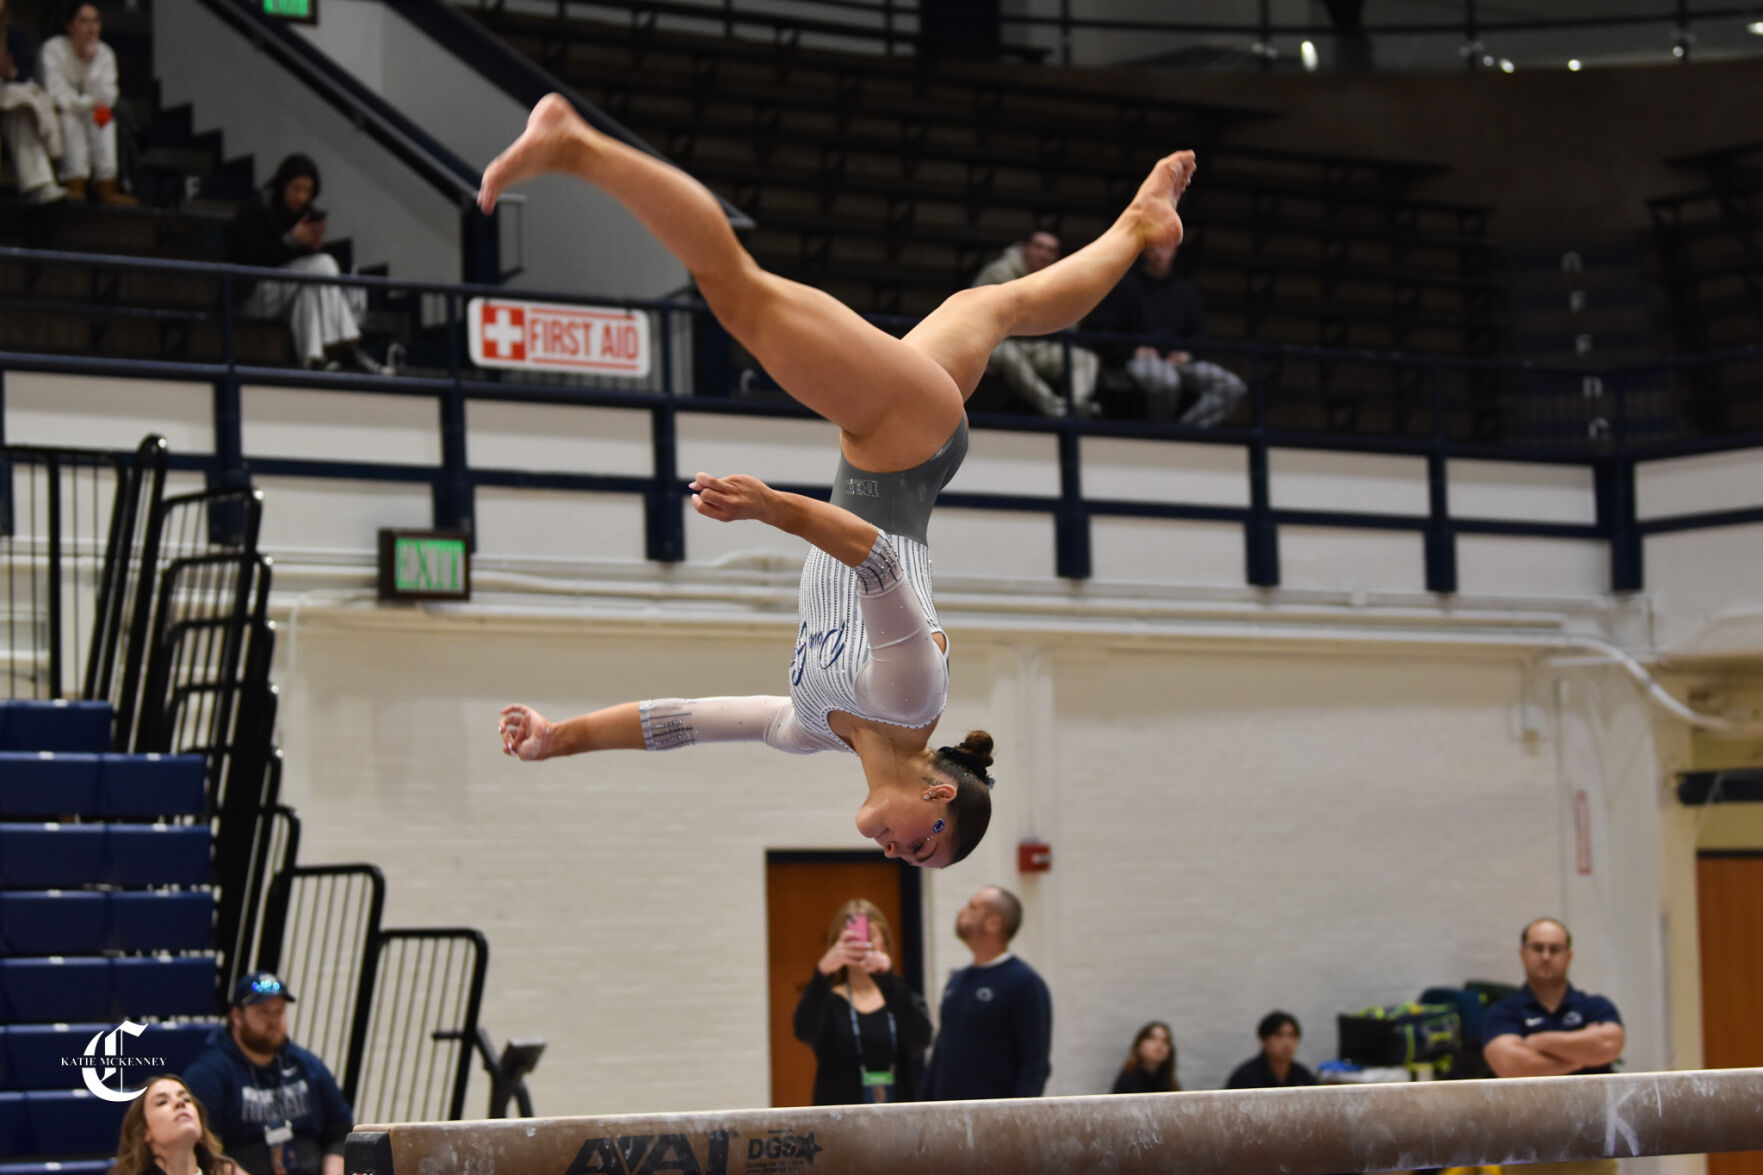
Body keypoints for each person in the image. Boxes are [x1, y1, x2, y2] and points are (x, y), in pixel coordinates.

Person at [485, 95, 1196, 869]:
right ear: (939, 795)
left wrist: (564, 738)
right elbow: (875, 558)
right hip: (900, 440)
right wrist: (771, 508)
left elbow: (682, 720)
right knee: (740, 295)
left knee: (995, 305)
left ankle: (1138, 224)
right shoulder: (909, 696)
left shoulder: (813, 725)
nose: (895, 854)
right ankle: (576, 147)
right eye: (923, 848)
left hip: (907, 453)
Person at [1480, 918, 1624, 1175]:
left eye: (1555, 949)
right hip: (1525, 1153)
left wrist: (1540, 1041)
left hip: (1592, 1149)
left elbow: (1610, 1045)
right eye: (1538, 948)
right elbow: (1509, 1064)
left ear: (1568, 956)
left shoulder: (1595, 1006)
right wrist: (1581, 1054)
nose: (1546, 956)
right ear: (1523, 954)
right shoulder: (1503, 1012)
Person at [225, 152, 391, 373]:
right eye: (296, 189)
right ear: (283, 184)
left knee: (311, 288)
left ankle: (313, 359)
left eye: (307, 191)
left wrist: (310, 246)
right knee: (322, 266)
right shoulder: (255, 209)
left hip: (286, 293)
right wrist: (291, 241)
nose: (301, 197)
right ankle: (350, 347)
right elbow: (254, 258)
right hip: (251, 296)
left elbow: (297, 262)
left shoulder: (305, 215)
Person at [182, 971, 354, 1175]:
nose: (273, 1020)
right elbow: (203, 1150)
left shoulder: (307, 1065)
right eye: (264, 1011)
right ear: (237, 1016)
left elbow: (340, 1130)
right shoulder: (209, 1075)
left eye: (279, 1011)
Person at [1085, 239, 1246, 426]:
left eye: (1164, 247)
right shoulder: (1125, 286)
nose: (1158, 253)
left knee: (1232, 386)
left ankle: (1186, 430)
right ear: (1144, 251)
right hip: (1141, 359)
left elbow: (1199, 334)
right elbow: (1100, 330)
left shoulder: (1185, 291)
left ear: (1174, 250)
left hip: (1178, 360)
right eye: (1153, 248)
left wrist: (1188, 353)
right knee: (1167, 382)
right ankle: (1160, 430)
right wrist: (1132, 350)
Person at [792, 898, 933, 1105]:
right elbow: (803, 1031)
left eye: (869, 936)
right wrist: (823, 972)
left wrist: (886, 979)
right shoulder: (826, 1001)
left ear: (884, 940)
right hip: (838, 1122)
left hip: (897, 1120)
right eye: (850, 939)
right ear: (836, 944)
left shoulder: (899, 994)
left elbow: (921, 1040)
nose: (859, 944)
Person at [922, 886, 1051, 1099]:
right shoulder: (957, 980)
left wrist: (1018, 1118)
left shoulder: (1025, 983)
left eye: (972, 907)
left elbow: (1035, 1062)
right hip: (948, 1114)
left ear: (993, 923)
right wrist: (924, 1105)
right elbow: (941, 1051)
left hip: (995, 1116)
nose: (961, 910)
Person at [970, 231, 1101, 418]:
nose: (1044, 254)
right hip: (1002, 344)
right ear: (1026, 249)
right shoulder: (1000, 272)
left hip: (1041, 346)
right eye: (1039, 247)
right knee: (1008, 356)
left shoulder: (1061, 279)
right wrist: (981, 355)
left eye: (1050, 250)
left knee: (1086, 359)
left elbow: (1071, 319)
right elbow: (975, 312)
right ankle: (1052, 406)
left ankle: (1074, 406)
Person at [38, 0, 133, 203]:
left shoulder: (105, 53)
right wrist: (88, 102)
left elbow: (108, 96)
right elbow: (57, 95)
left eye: (96, 21)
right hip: (55, 112)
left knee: (104, 116)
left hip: (89, 111)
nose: (91, 28)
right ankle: (74, 183)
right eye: (84, 21)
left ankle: (107, 185)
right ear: (69, 25)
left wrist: (89, 64)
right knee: (70, 117)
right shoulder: (53, 49)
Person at [0, 0, 66, 203]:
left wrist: (9, 72)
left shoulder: (15, 35)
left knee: (21, 107)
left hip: (5, 101)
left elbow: (22, 78)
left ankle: (40, 184)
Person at [112, 1074, 231, 1175]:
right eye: (162, 1102)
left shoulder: (227, 1170)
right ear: (145, 1132)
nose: (180, 1103)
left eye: (186, 1099)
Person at [1226, 1010, 1318, 1089]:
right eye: (1279, 1035)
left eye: (1292, 1036)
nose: (1287, 1042)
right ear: (1264, 1040)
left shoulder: (1302, 1075)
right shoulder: (1245, 1076)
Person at [1110, 1020, 1179, 1093]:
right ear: (1139, 1045)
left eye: (1165, 1041)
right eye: (1152, 1039)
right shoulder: (1127, 1082)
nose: (1159, 1046)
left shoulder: (1170, 1084)